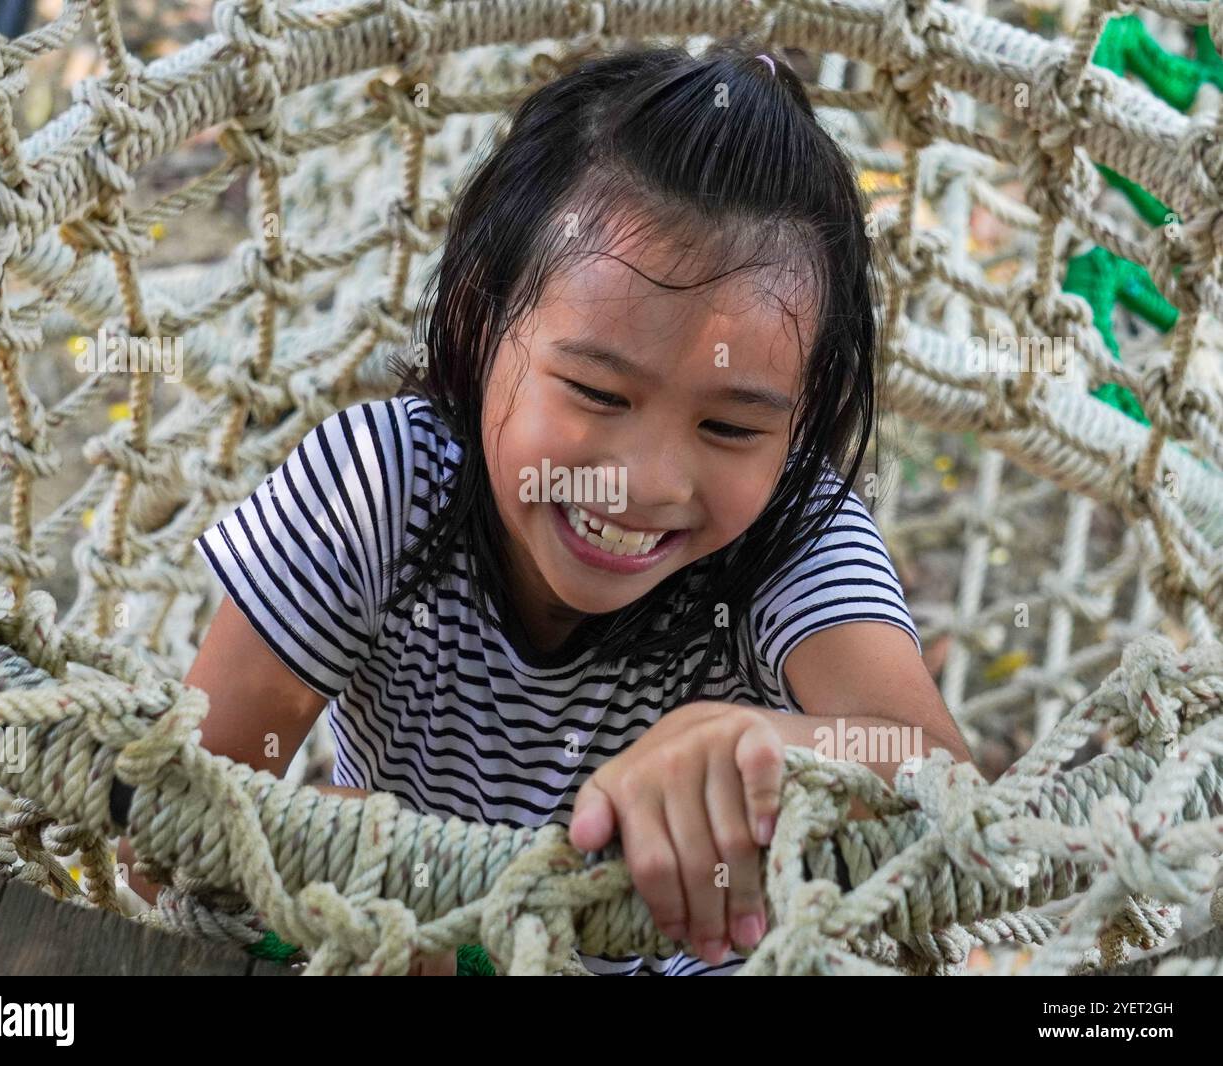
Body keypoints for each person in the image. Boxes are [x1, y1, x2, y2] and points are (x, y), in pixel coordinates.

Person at [121, 38, 973, 975]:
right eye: (599, 396)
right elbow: (170, 843)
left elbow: (942, 782)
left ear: (801, 425)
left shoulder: (792, 539)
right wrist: (324, 862)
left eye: (731, 428)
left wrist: (759, 742)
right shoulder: (378, 490)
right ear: (483, 324)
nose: (646, 482)